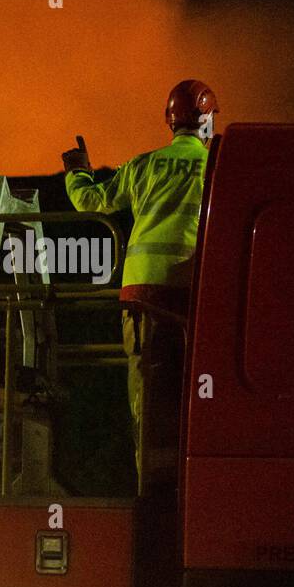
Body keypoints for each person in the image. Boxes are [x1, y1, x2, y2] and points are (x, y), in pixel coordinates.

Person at [61, 79, 218, 488]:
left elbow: (92, 202)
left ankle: (150, 488)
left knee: (146, 398)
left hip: (142, 297)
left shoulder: (143, 165)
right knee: (194, 395)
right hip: (193, 297)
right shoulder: (215, 167)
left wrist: (78, 170)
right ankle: (193, 486)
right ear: (206, 121)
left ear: (170, 122)